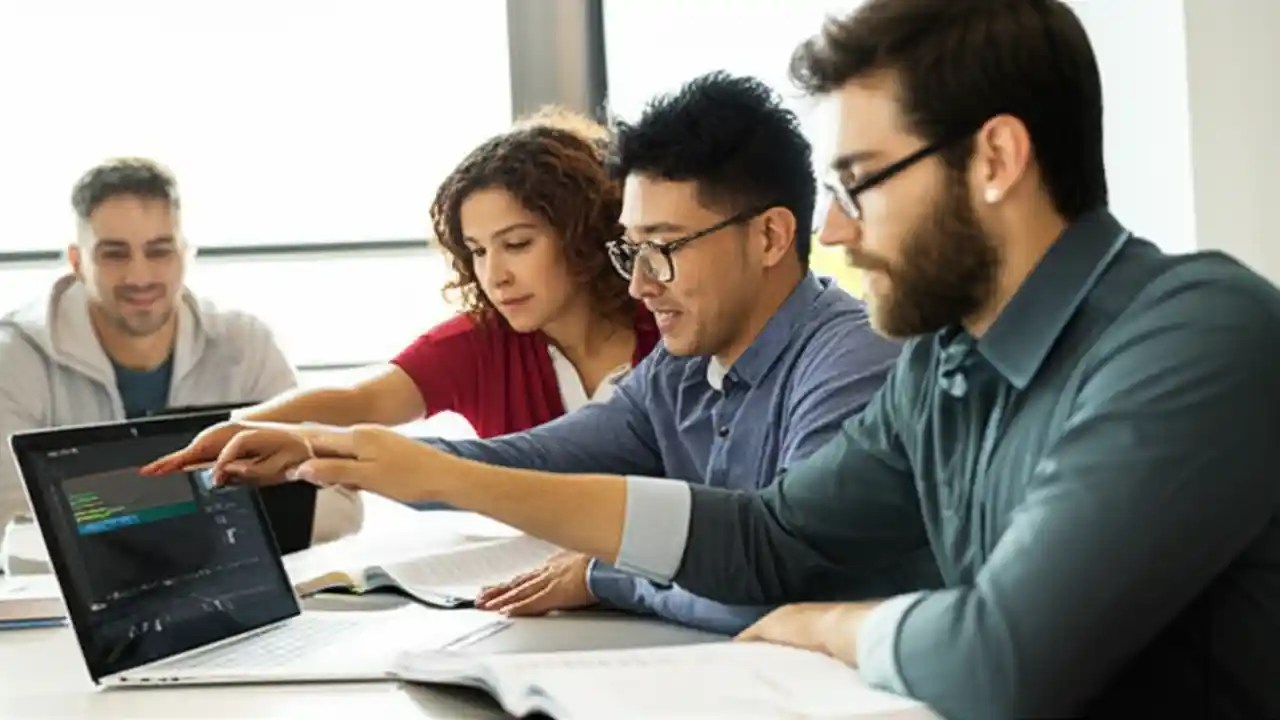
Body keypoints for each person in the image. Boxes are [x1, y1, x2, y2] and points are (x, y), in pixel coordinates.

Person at [175, 1, 1280, 718]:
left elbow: (1005, 660)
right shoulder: (950, 366)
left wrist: (825, 622)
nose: (836, 231)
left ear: (993, 157)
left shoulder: (1193, 337)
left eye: (859, 183)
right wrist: (399, 460)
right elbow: (774, 534)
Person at [147, 72, 910, 635]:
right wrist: (321, 446)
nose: (642, 285)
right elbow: (532, 460)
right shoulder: (678, 369)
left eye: (666, 249)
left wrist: (610, 576)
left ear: (773, 237)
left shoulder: (849, 359)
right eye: (632, 251)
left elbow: (788, 580)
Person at [145, 109, 659, 475]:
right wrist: (231, 429)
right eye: (478, 251)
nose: (495, 275)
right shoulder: (481, 342)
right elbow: (361, 399)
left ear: (582, 233)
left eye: (517, 244)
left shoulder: (666, 323)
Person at [0, 158, 361, 541]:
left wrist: (108, 503)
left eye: (159, 251)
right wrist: (213, 498)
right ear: (77, 262)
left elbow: (338, 505)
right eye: (114, 254)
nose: (139, 276)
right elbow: (12, 520)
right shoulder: (15, 358)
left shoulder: (247, 347)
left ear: (186, 253)